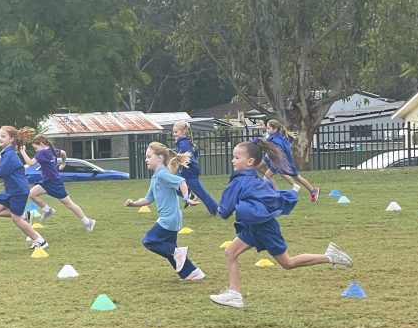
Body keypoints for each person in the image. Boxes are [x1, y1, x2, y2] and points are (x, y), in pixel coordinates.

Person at [209, 139, 351, 308]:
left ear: (250, 162)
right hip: (253, 225)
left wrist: (218, 208)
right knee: (230, 252)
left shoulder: (240, 181)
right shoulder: (254, 179)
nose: (233, 160)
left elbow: (225, 211)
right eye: (233, 157)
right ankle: (235, 294)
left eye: (237, 157)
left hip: (264, 227)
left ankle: (330, 256)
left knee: (288, 263)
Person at [124, 142, 205, 281]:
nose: (146, 159)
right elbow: (148, 199)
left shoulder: (162, 174)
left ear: (159, 158)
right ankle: (192, 273)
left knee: (149, 240)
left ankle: (177, 253)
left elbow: (181, 181)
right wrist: (134, 204)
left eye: (149, 156)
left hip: (169, 218)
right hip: (171, 218)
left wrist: (186, 198)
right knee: (170, 249)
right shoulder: (156, 177)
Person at [0, 125, 47, 249]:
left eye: (3, 136)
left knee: (16, 219)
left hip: (18, 191)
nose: (0, 138)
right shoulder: (6, 153)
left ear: (11, 139)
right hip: (10, 190)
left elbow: (1, 173)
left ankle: (40, 241)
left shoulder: (9, 155)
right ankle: (25, 215)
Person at [19, 135, 96, 232]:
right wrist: (63, 163)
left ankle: (87, 221)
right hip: (47, 181)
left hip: (55, 183)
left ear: (41, 144)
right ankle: (47, 210)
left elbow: (30, 163)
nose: (36, 150)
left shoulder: (42, 153)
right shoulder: (51, 150)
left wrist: (23, 152)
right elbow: (63, 153)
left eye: (36, 148)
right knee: (32, 194)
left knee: (69, 204)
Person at [261, 119, 320, 202]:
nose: (267, 130)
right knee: (268, 175)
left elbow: (278, 148)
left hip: (285, 162)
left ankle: (313, 190)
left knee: (297, 177)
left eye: (268, 128)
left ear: (275, 129)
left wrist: (261, 144)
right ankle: (277, 194)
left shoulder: (276, 139)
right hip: (279, 162)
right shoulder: (278, 136)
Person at [172, 121, 218, 215]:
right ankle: (189, 195)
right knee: (172, 184)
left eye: (176, 132)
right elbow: (195, 153)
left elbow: (186, 157)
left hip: (189, 172)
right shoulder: (187, 142)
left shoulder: (183, 144)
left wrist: (178, 161)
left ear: (183, 132)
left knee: (201, 193)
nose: (174, 134)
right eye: (173, 132)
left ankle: (216, 210)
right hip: (186, 171)